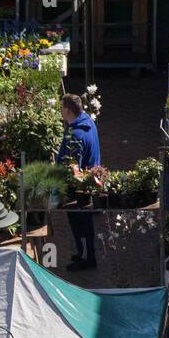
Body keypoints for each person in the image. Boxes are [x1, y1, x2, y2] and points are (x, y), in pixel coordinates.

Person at [55, 93, 101, 271]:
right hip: (89, 180)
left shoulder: (76, 135)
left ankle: (87, 257)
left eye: (61, 108)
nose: (60, 111)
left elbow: (72, 166)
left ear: (67, 110)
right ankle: (85, 253)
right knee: (84, 220)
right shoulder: (87, 121)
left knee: (79, 221)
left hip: (79, 186)